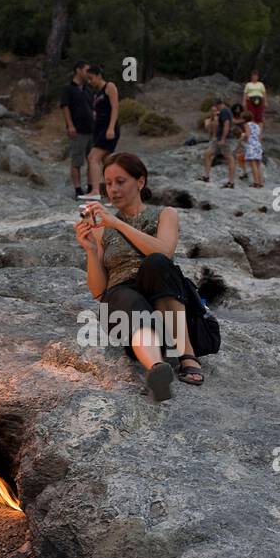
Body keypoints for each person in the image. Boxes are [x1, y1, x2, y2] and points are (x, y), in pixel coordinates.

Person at [74, 152, 202, 401]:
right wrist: (90, 250)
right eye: (108, 184)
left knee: (157, 263)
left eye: (120, 182)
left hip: (162, 294)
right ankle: (157, 370)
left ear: (140, 182)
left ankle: (187, 354)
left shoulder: (165, 214)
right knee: (124, 297)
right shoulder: (102, 231)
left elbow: (164, 251)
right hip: (124, 301)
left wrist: (119, 224)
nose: (113, 189)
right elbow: (99, 291)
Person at [82, 66, 120, 199]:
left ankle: (95, 191)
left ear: (99, 76)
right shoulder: (97, 94)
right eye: (88, 79)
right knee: (108, 162)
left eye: (91, 78)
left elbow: (115, 108)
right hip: (99, 129)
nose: (89, 81)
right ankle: (112, 194)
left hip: (108, 128)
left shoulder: (109, 87)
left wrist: (111, 127)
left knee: (93, 157)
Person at [59, 60, 94, 200]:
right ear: (78, 70)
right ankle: (78, 189)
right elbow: (65, 107)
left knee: (92, 160)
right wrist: (70, 125)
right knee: (77, 160)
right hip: (77, 130)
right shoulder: (68, 89)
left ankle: (91, 187)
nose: (89, 74)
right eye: (86, 70)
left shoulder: (88, 89)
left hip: (91, 129)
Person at [200, 97, 235, 187]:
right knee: (207, 154)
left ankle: (231, 182)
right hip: (218, 138)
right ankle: (206, 176)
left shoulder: (225, 112)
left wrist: (223, 139)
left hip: (225, 139)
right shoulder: (224, 112)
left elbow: (226, 125)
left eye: (216, 107)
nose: (216, 109)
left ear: (218, 105)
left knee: (229, 158)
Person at [241, 111, 264, 187]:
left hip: (251, 145)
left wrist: (243, 136)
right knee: (258, 165)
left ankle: (256, 182)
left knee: (253, 164)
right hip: (258, 145)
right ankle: (260, 182)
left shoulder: (247, 125)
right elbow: (259, 136)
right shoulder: (257, 125)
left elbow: (247, 134)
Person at [230, 102, 248, 179]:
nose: (237, 110)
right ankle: (243, 172)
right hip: (237, 136)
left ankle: (244, 172)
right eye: (236, 109)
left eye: (239, 108)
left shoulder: (243, 117)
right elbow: (233, 121)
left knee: (240, 155)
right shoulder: (234, 117)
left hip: (243, 136)